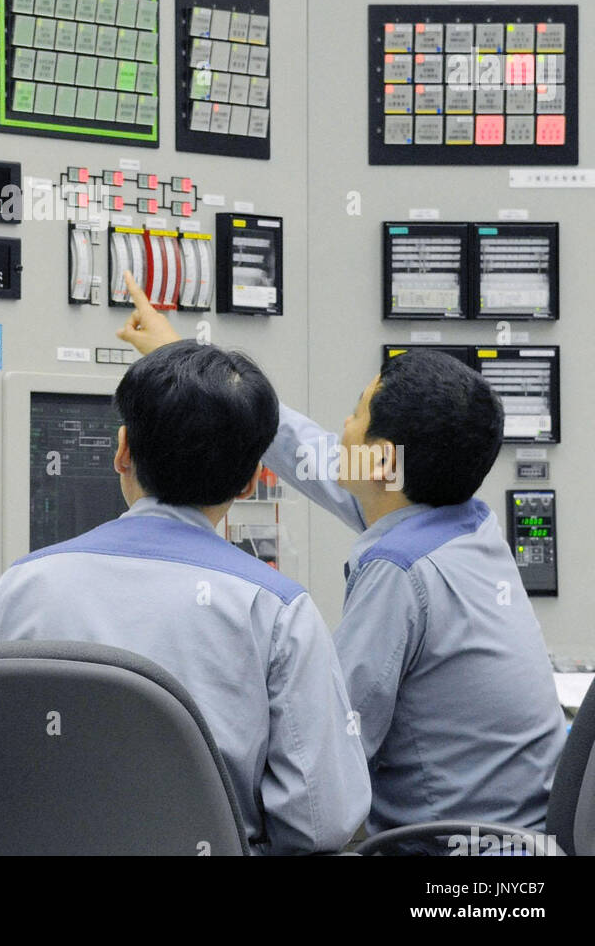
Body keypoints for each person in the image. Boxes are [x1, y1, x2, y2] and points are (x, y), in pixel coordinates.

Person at [116, 274, 567, 846]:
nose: (341, 430)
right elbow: (310, 453)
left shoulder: (400, 572)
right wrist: (184, 359)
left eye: (354, 414)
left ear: (381, 464)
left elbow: (330, 747)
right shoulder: (460, 522)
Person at [0, 337, 371, 855]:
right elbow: (322, 822)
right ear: (252, 480)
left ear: (122, 451)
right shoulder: (276, 611)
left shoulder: (20, 586)